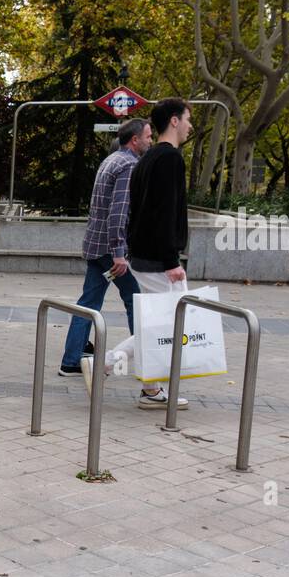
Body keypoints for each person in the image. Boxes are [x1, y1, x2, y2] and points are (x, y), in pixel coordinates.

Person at [83, 97, 192, 409]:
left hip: (143, 256)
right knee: (168, 325)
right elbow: (163, 213)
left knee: (156, 324)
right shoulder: (169, 159)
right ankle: (106, 366)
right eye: (186, 119)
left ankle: (149, 388)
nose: (189, 126)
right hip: (159, 260)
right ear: (173, 120)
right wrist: (172, 260)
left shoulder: (144, 160)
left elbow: (139, 213)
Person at [57, 119, 153, 378]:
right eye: (148, 136)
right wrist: (120, 254)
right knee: (136, 302)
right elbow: (119, 213)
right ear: (135, 140)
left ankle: (71, 360)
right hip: (113, 253)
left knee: (88, 304)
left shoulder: (110, 161)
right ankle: (147, 360)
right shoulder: (130, 166)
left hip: (97, 246)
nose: (151, 140)